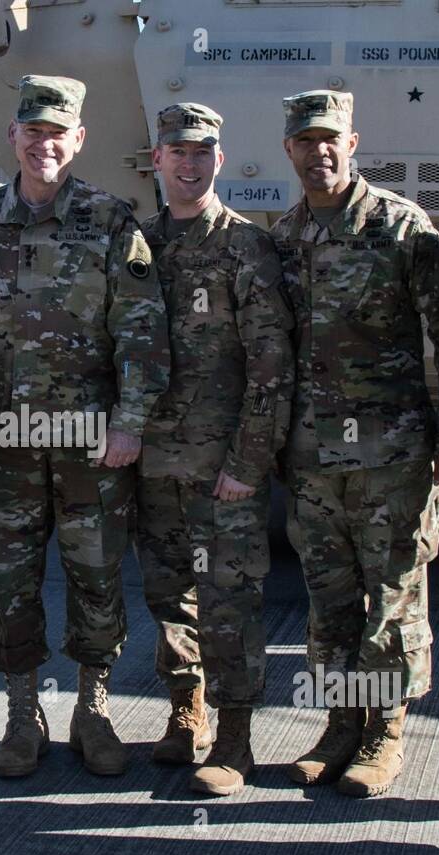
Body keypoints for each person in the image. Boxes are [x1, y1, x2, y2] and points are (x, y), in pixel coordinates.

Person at [0, 75, 169, 778]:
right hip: (10, 444)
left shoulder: (111, 223)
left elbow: (140, 331)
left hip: (91, 444)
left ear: (78, 140)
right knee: (12, 580)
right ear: (12, 138)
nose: (44, 144)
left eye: (58, 132)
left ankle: (93, 707)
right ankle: (23, 713)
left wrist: (131, 422)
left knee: (97, 576)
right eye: (32, 131)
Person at [271, 90, 439, 798]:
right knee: (329, 599)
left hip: (393, 453)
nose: (319, 151)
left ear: (353, 143)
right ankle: (339, 725)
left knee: (395, 597)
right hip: (313, 457)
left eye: (332, 139)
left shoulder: (402, 227)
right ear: (288, 148)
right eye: (306, 140)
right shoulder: (282, 237)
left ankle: (386, 732)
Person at [135, 103, 294, 795]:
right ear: (157, 160)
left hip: (222, 468)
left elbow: (271, 365)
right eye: (178, 153)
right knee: (170, 597)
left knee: (229, 602)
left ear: (219, 161)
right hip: (154, 463)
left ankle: (235, 739)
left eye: (202, 153)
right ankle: (185, 713)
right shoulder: (138, 246)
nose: (189, 164)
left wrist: (248, 463)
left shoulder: (246, 247)